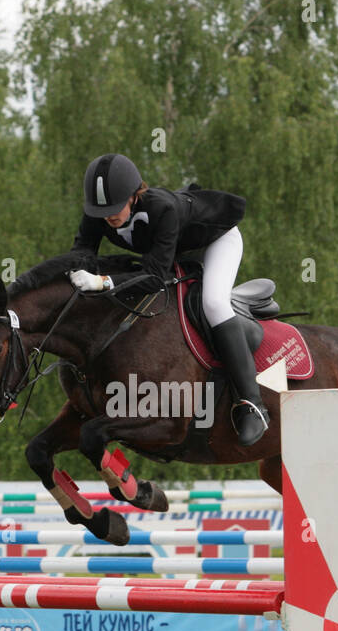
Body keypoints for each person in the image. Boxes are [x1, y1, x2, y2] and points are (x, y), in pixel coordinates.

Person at [68, 152, 269, 447]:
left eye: (115, 207)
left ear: (135, 196)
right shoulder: (99, 214)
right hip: (171, 250)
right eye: (102, 210)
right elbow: (81, 254)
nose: (108, 217)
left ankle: (253, 405)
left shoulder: (162, 209)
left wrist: (102, 282)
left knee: (213, 303)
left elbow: (152, 277)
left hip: (216, 241)